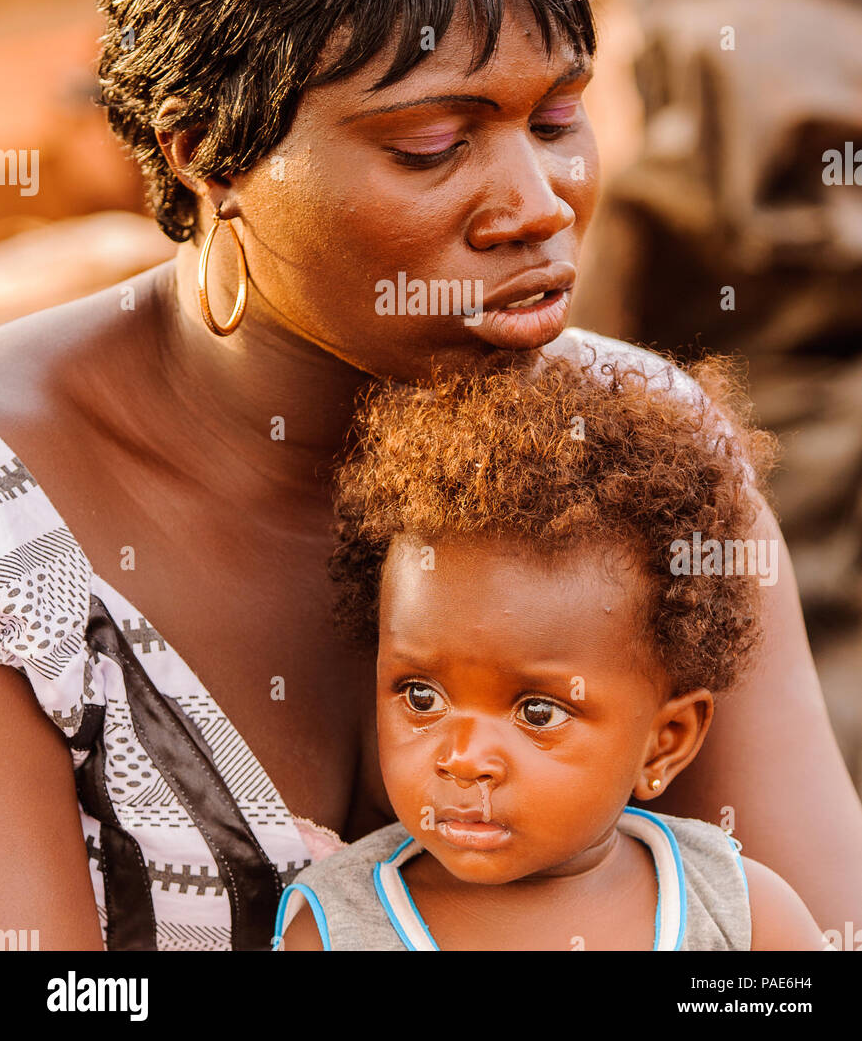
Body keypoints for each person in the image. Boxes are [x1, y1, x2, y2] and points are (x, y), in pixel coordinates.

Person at [0, 0, 859, 952]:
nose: (537, 203)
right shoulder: (16, 526)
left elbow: (820, 941)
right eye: (431, 144)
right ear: (209, 154)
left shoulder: (650, 457)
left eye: (557, 118)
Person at [276, 354, 825, 951]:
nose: (463, 760)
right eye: (421, 696)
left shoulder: (741, 916)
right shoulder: (338, 928)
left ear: (664, 741)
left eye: (538, 713)